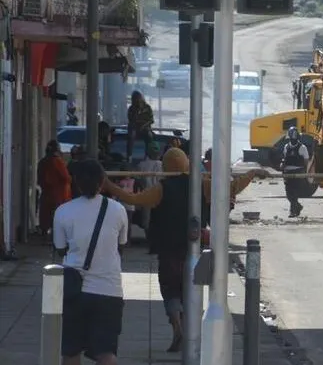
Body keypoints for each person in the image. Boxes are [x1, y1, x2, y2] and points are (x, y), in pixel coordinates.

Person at [104, 148, 263, 350]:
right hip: (193, 249)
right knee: (190, 292)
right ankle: (189, 333)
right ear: (186, 163)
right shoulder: (202, 185)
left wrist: (108, 184)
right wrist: (251, 174)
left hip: (168, 249)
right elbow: (231, 188)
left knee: (170, 291)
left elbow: (134, 199)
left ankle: (177, 327)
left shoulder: (161, 189)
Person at [53, 159, 130, 365]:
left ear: (75, 182)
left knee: (71, 351)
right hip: (109, 289)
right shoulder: (118, 210)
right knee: (106, 350)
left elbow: (60, 250)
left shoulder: (63, 212)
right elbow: (121, 245)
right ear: (102, 182)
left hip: (75, 291)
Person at [37, 140, 72, 235]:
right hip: (59, 194)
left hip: (46, 193)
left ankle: (45, 233)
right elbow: (66, 177)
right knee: (58, 216)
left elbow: (39, 179)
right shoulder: (57, 161)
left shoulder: (42, 162)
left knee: (45, 215)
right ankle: (55, 235)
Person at [280, 127, 310, 218]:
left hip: (298, 172)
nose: (293, 138)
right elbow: (284, 159)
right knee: (289, 194)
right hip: (288, 172)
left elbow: (306, 160)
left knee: (294, 193)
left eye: (295, 136)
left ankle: (293, 212)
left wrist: (303, 171)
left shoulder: (302, 147)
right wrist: (282, 165)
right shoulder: (286, 147)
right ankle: (298, 207)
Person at [126, 90, 155, 161]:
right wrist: (137, 111)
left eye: (139, 99)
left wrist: (144, 126)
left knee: (149, 136)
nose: (138, 101)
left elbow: (151, 120)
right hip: (134, 127)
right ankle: (129, 156)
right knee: (131, 135)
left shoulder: (148, 107)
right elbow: (131, 120)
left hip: (145, 127)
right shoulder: (131, 108)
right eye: (136, 99)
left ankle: (148, 156)